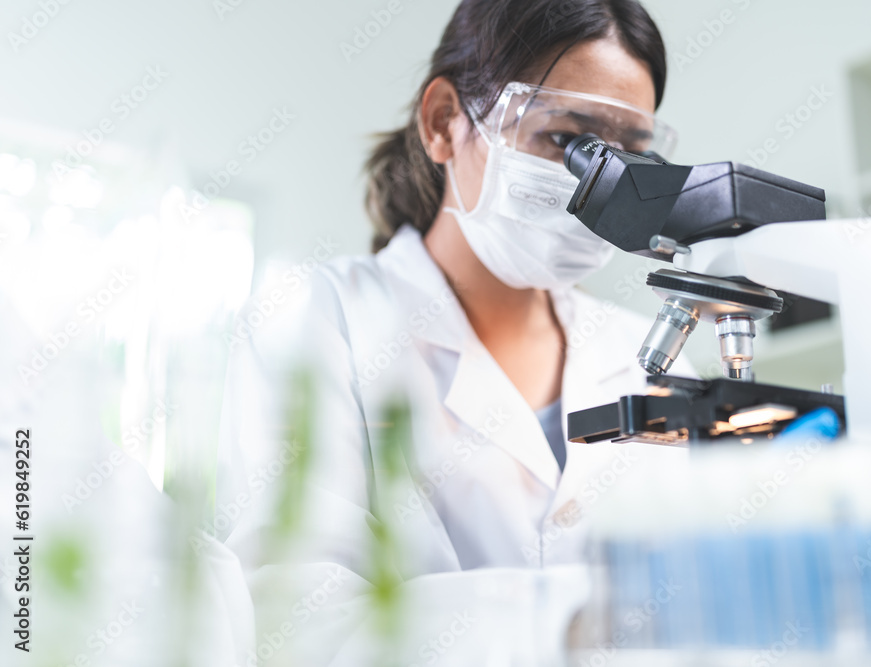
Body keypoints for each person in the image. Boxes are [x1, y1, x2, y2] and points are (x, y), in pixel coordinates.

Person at [217, 0, 695, 662]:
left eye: (629, 156)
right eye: (568, 141)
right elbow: (299, 618)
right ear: (444, 122)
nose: (604, 186)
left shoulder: (652, 359)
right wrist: (582, 620)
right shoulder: (315, 317)